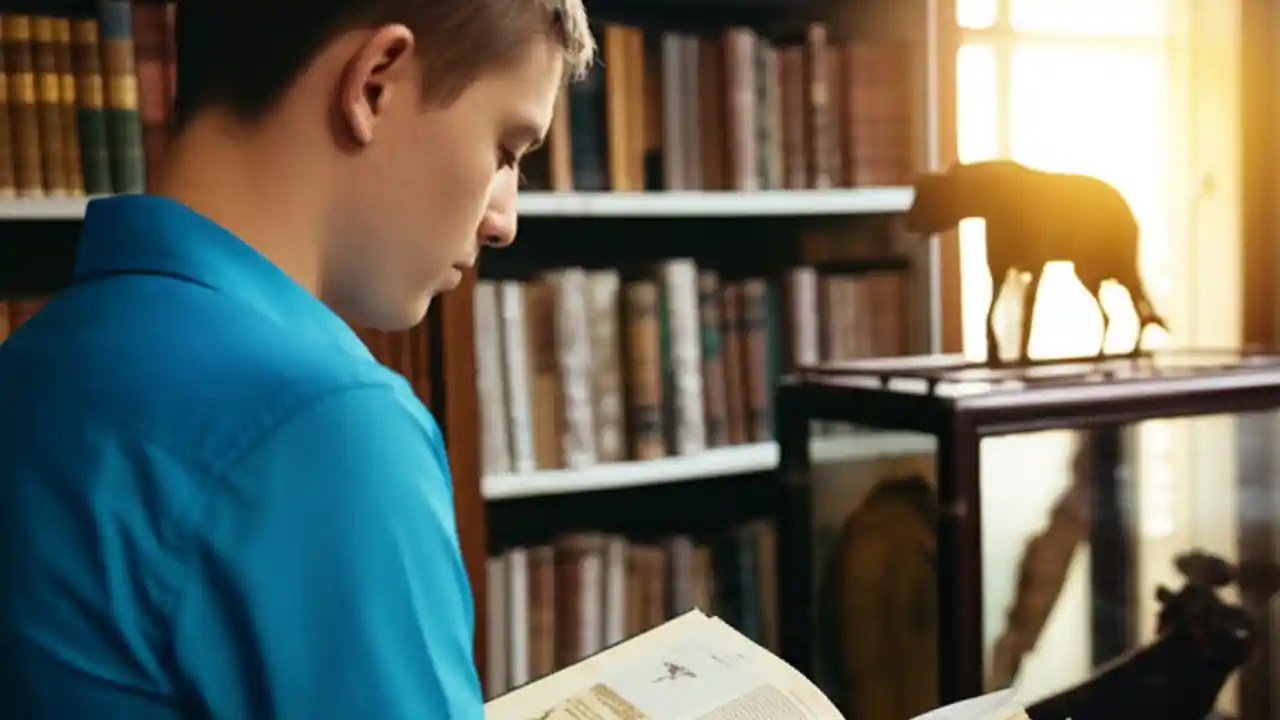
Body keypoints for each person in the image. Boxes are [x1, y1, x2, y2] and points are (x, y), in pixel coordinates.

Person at [0, 0, 595, 717]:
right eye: (505, 150)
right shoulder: (327, 424)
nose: (504, 221)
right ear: (375, 82)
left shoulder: (27, 363)